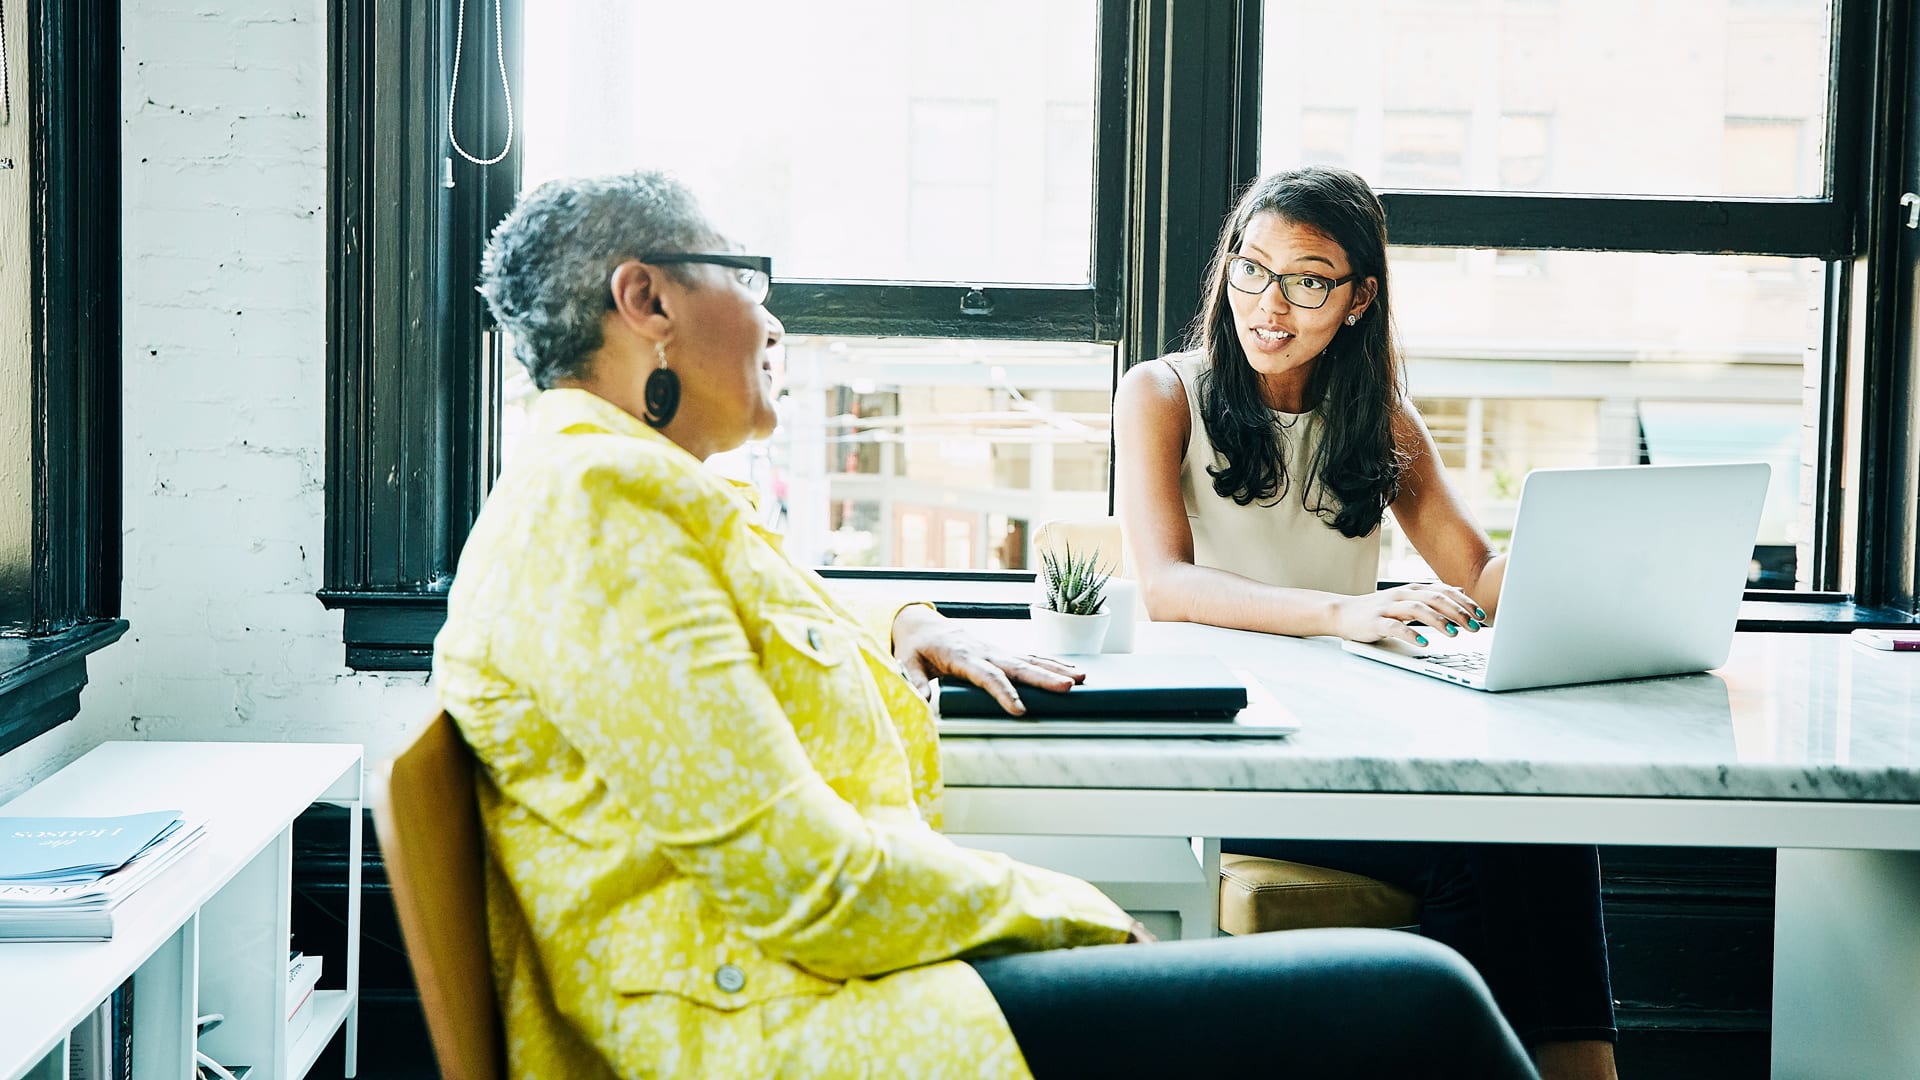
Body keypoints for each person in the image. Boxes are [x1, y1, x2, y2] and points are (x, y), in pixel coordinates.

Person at [432, 170, 1541, 1079]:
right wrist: (1075, 915)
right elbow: (801, 885)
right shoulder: (602, 513)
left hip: (815, 982)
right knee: (1422, 1000)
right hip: (776, 1021)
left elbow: (773, 613)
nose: (772, 318)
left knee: (1426, 980)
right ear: (647, 302)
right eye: (747, 279)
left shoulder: (628, 491)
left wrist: (910, 615)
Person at [1113, 165, 1618, 1080]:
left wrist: (1606, 566)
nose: (1270, 304)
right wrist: (1345, 614)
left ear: (1357, 299)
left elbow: (1479, 575)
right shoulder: (1160, 393)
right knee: (1495, 852)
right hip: (1232, 748)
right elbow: (1167, 586)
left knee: (1537, 826)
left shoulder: (1378, 414)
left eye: (1307, 280)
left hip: (1346, 746)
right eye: (1251, 269)